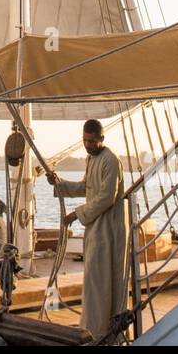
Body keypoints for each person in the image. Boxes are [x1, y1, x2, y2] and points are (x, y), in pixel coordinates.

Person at [45, 119, 127, 341]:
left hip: (108, 231)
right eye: (84, 140)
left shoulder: (111, 161)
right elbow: (86, 188)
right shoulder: (92, 159)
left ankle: (104, 333)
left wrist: (76, 214)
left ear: (101, 139)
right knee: (94, 282)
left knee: (103, 281)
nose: (87, 145)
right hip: (95, 230)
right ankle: (92, 329)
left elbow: (106, 197)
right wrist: (59, 183)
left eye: (92, 141)